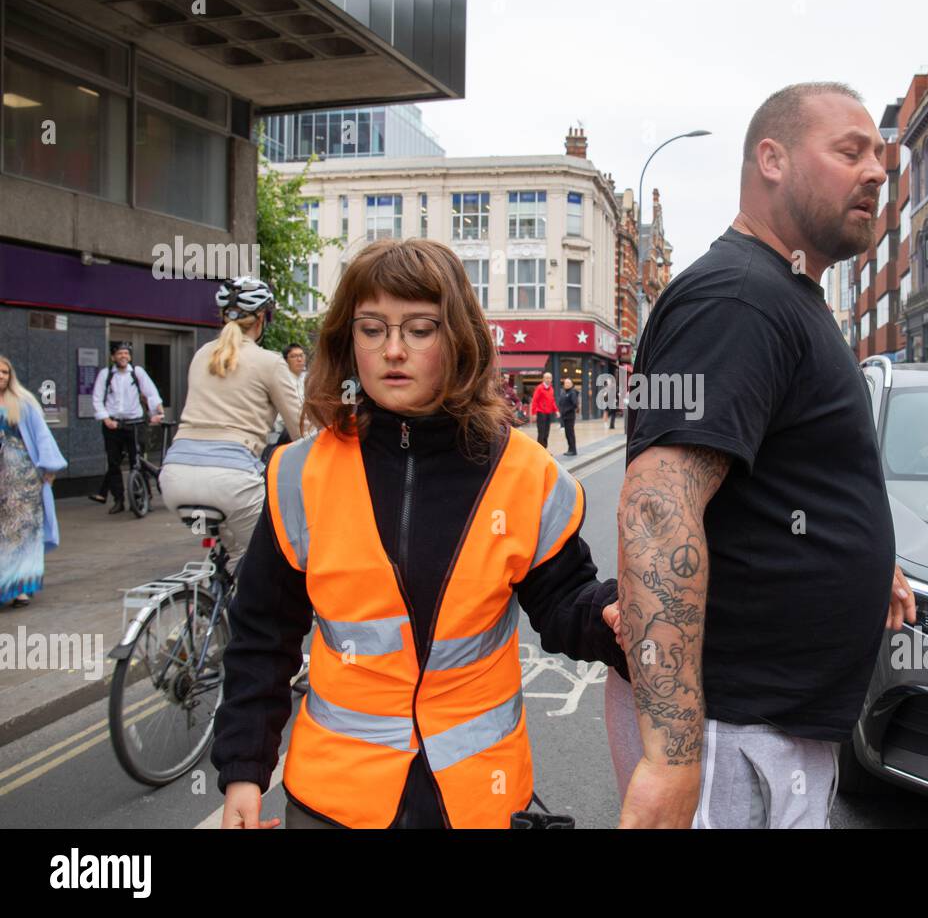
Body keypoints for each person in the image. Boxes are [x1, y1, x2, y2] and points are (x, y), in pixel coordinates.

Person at [213, 238, 626, 829]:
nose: (393, 349)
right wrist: (243, 772)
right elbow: (262, 633)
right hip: (333, 802)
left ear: (458, 339)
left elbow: (564, 601)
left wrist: (616, 619)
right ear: (348, 341)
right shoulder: (299, 474)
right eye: (372, 329)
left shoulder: (523, 473)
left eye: (420, 329)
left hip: (476, 800)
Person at [605, 82, 916, 829]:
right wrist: (672, 759)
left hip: (765, 732)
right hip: (730, 737)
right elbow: (656, 511)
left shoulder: (785, 293)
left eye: (878, 156)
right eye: (850, 151)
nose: (876, 171)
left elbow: (780, 476)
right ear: (771, 160)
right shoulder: (738, 299)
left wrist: (867, 560)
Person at [159, 277, 304, 564]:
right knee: (275, 562)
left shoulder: (202, 355)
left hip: (175, 477)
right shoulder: (270, 362)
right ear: (262, 319)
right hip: (232, 480)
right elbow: (303, 431)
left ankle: (215, 587)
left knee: (234, 556)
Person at [0, 356, 67, 609]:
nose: (1, 376)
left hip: (22, 478)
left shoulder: (23, 402)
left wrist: (49, 467)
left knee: (24, 530)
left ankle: (21, 588)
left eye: (5, 372)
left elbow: (42, 434)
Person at [91, 342, 164, 514]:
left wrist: (158, 411)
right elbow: (97, 398)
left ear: (129, 357)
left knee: (138, 461)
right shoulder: (106, 374)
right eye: (119, 353)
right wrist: (105, 418)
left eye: (126, 353)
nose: (123, 356)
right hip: (113, 425)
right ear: (113, 357)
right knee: (113, 463)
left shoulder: (137, 373)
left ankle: (144, 498)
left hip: (136, 423)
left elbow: (151, 393)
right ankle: (118, 500)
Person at [270, 343, 308, 446]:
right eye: (294, 356)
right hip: (286, 432)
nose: (299, 359)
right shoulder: (282, 380)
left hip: (306, 429)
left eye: (301, 355)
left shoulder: (308, 379)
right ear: (286, 360)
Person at [530, 370, 558, 449]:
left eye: (550, 378)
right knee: (541, 433)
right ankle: (540, 450)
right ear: (543, 379)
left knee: (546, 432)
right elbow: (534, 401)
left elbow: (552, 401)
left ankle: (544, 449)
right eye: (547, 378)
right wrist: (533, 413)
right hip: (541, 413)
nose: (548, 380)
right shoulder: (539, 388)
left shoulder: (551, 389)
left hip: (548, 413)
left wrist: (556, 410)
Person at [558, 376, 580, 457]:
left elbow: (575, 404)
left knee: (570, 434)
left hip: (570, 416)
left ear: (571, 384)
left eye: (568, 383)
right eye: (565, 383)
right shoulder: (564, 392)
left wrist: (566, 410)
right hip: (565, 416)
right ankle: (570, 449)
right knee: (567, 434)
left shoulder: (572, 392)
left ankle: (573, 450)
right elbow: (561, 403)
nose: (567, 384)